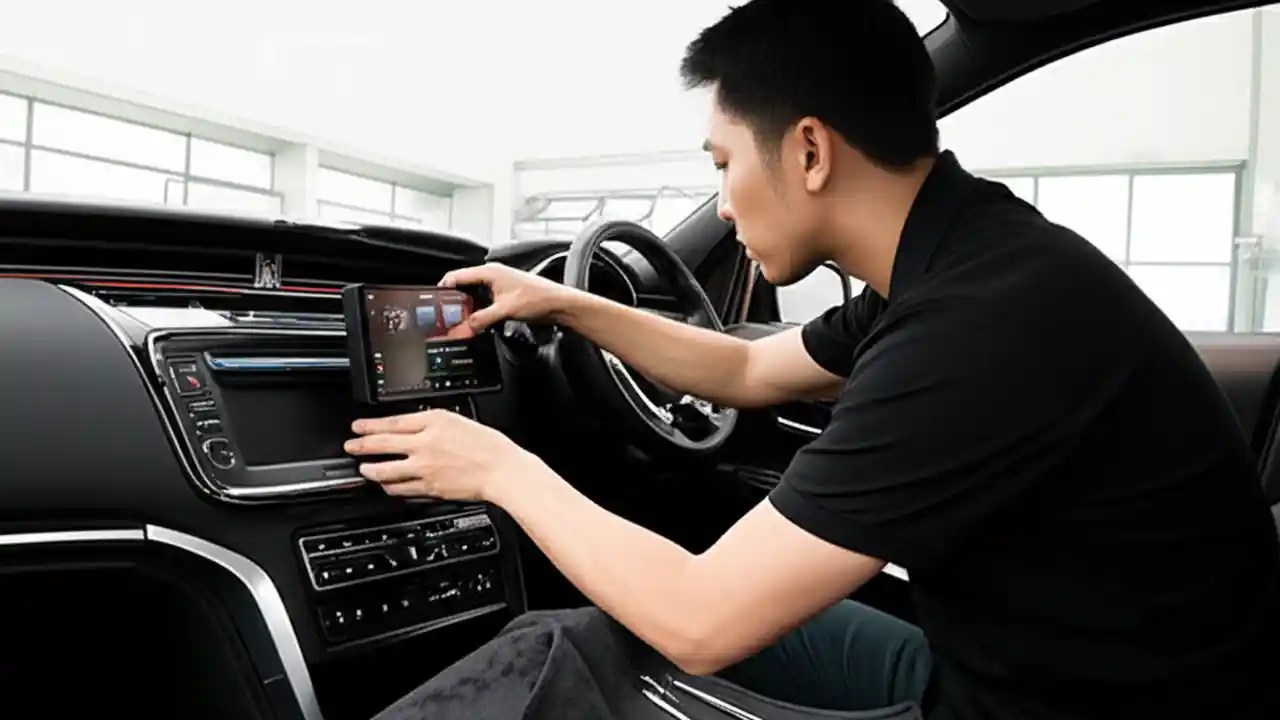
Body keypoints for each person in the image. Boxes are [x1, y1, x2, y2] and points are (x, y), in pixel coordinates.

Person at [344, 0, 1280, 717]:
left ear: (809, 152)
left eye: (720, 165)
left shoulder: (973, 331)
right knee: (621, 617)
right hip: (1027, 668)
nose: (725, 194)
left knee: (559, 660)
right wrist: (563, 303)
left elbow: (702, 622)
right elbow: (748, 372)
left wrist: (501, 469)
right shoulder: (970, 258)